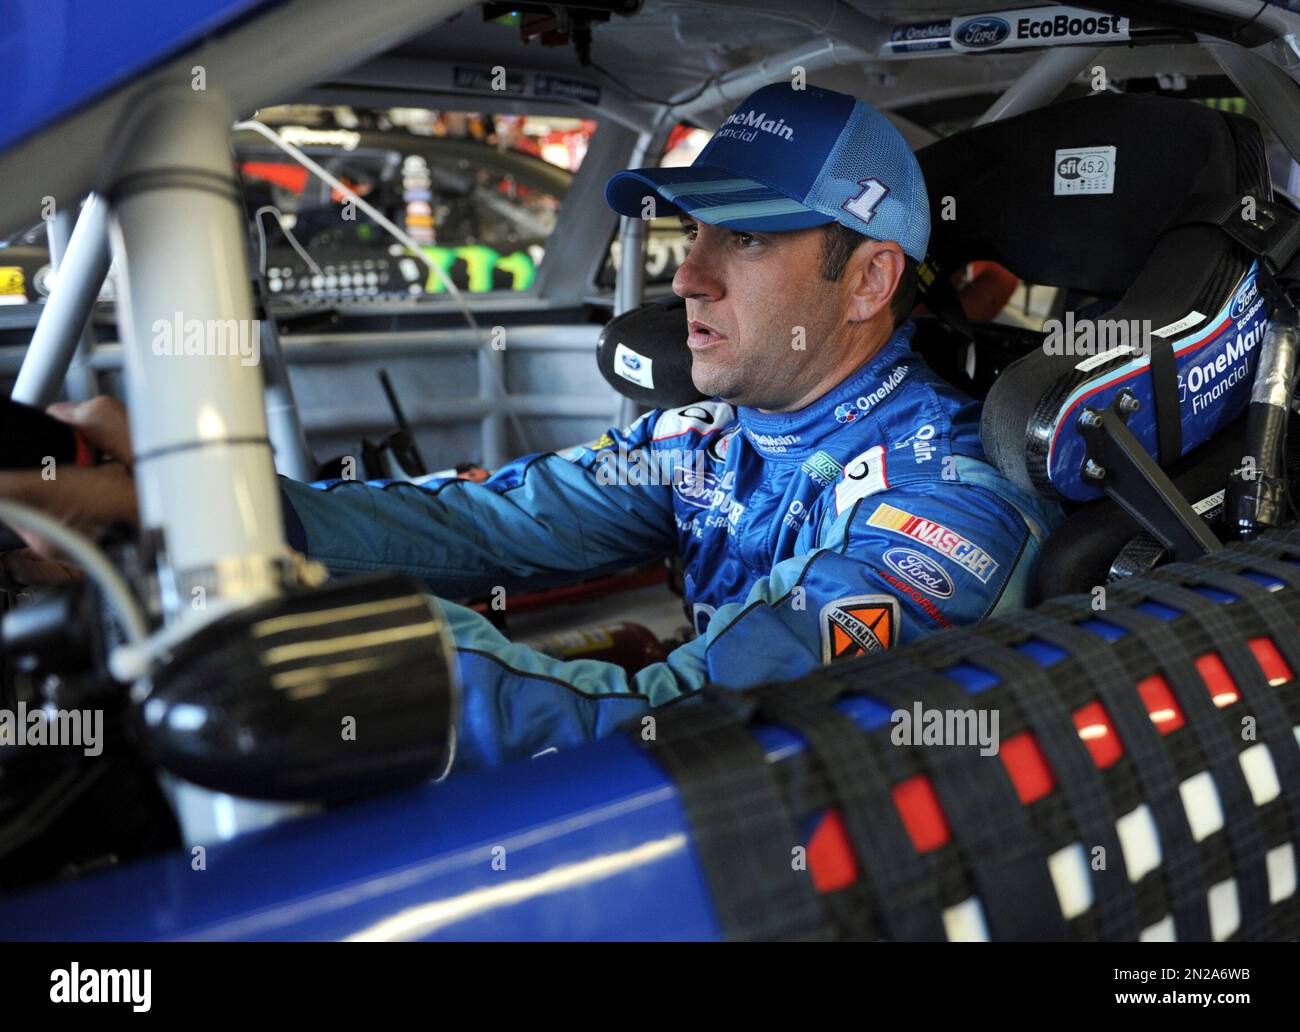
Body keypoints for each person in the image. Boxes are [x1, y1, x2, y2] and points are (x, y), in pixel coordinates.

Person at [0, 83, 1061, 775]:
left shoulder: (948, 499)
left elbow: (664, 728)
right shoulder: (703, 436)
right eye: (690, 233)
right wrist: (198, 510)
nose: (686, 277)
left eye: (739, 238)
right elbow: (478, 527)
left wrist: (296, 613)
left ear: (870, 276)